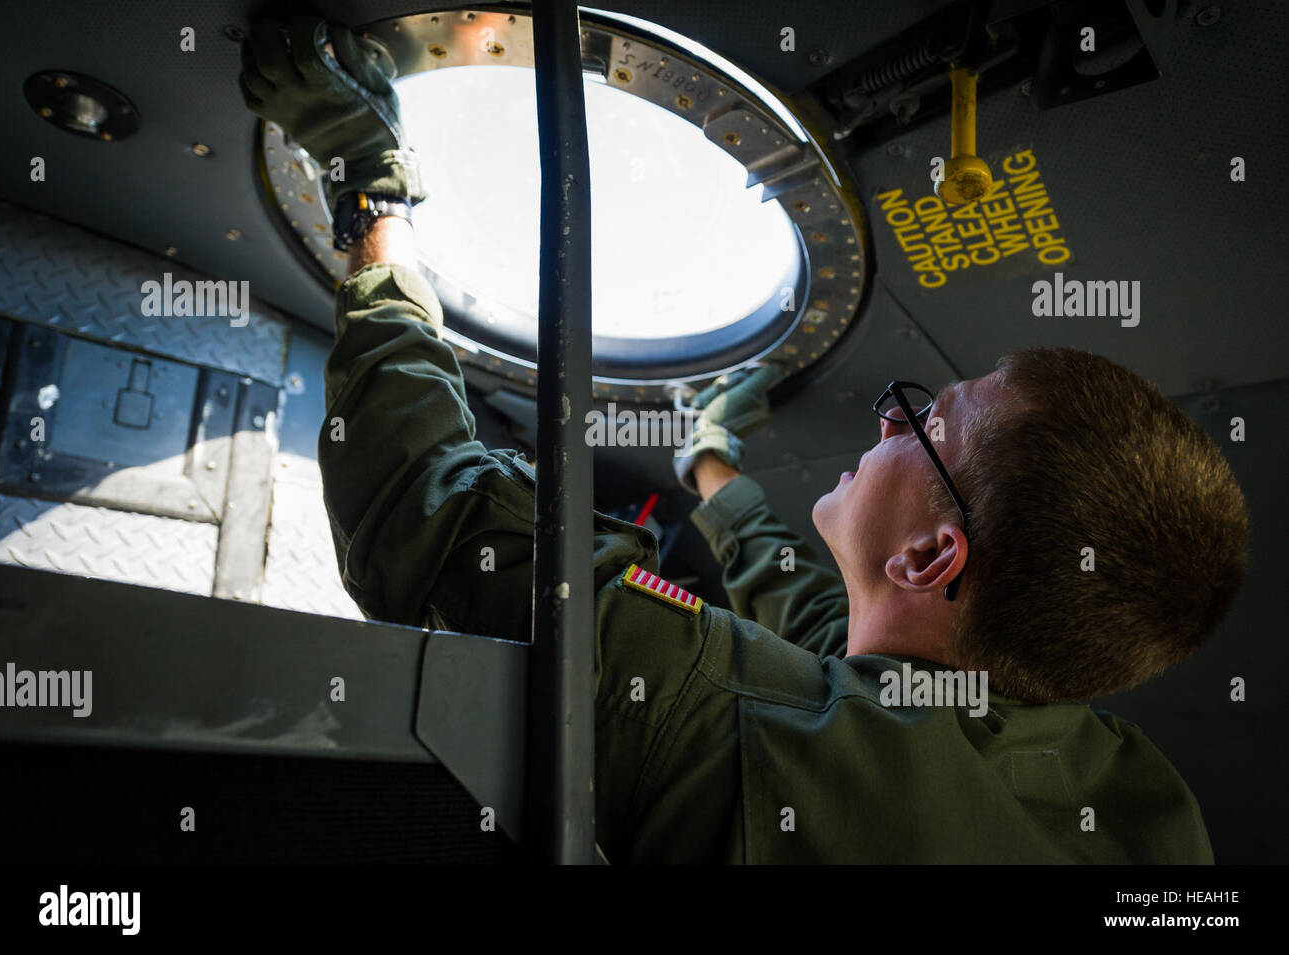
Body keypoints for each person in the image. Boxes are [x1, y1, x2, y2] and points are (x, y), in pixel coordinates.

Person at [240, 18, 1250, 863]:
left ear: (934, 554)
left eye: (924, 421)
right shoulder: (1138, 807)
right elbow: (830, 627)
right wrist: (709, 463)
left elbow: (424, 504)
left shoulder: (745, 723)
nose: (888, 415)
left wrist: (371, 188)